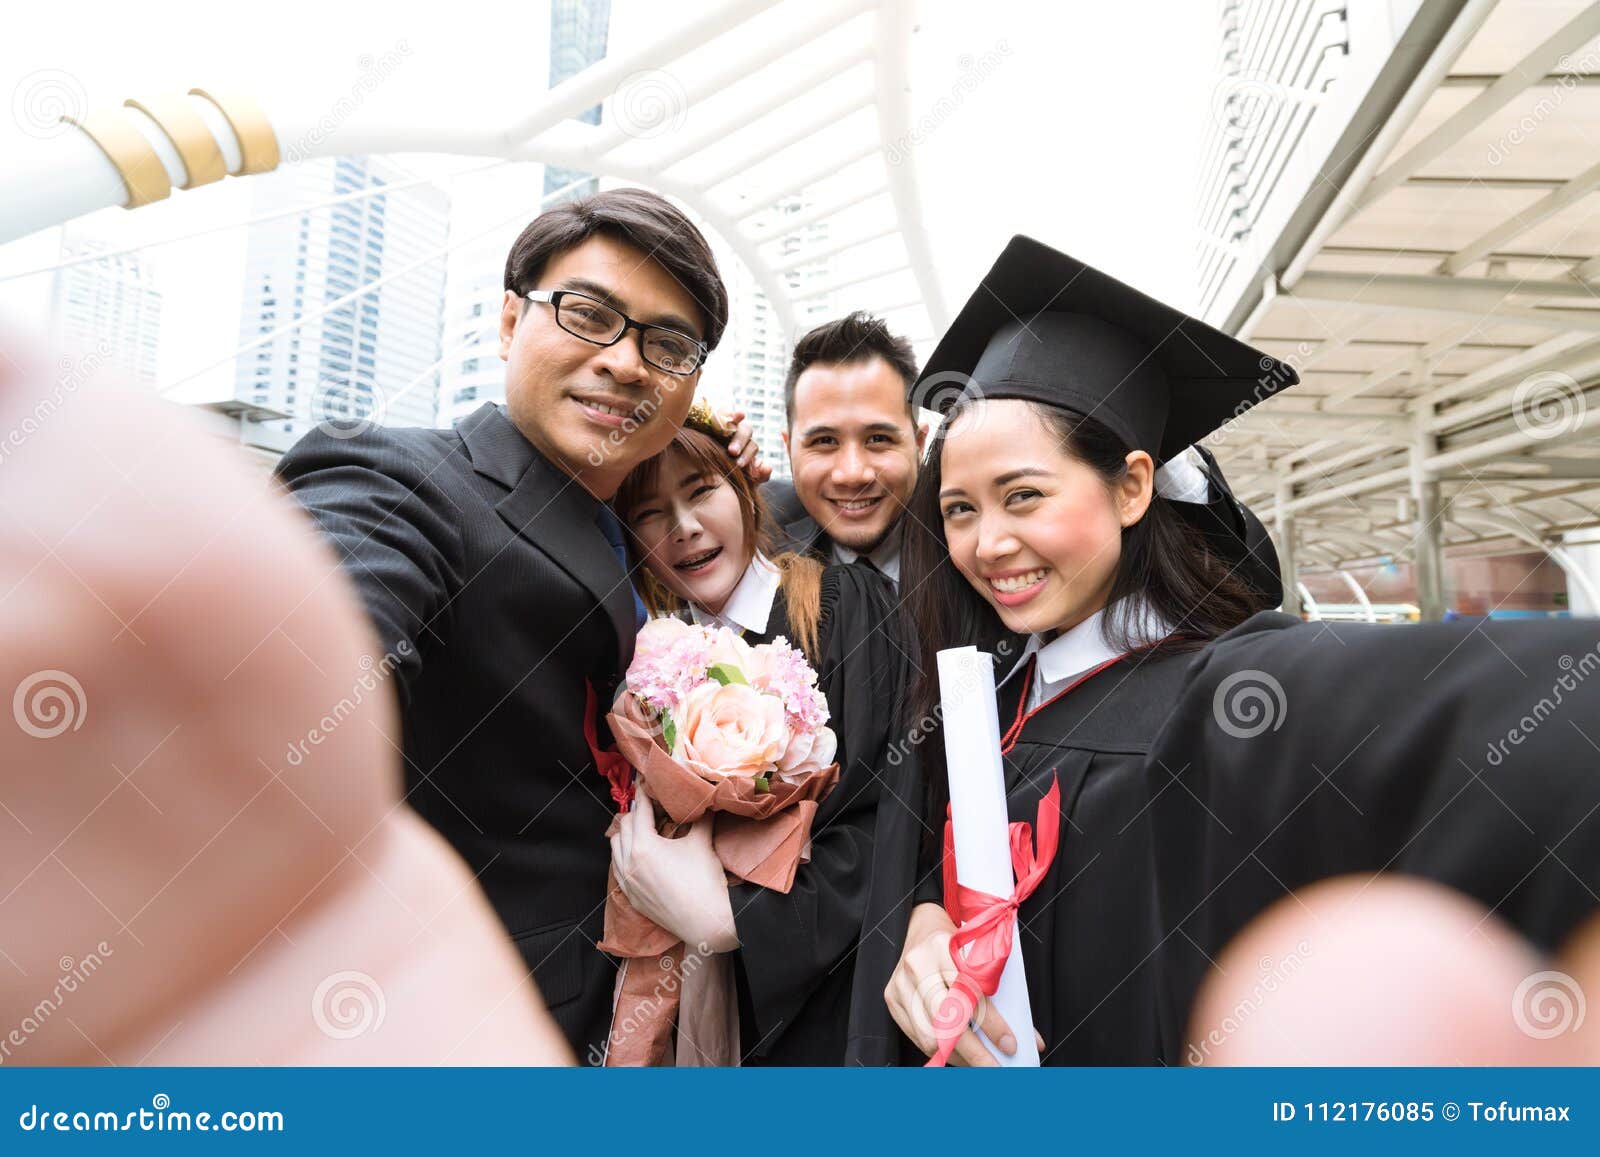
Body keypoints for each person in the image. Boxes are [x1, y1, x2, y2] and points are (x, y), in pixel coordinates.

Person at [852, 236, 1600, 1067]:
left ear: (1133, 485)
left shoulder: (1230, 693)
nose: (989, 542)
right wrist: (928, 917)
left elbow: (1527, 725)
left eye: (1024, 494)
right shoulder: (993, 695)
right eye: (959, 509)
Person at [274, 188, 767, 1061]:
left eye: (666, 344)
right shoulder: (408, 481)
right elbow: (314, 664)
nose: (623, 363)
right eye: (588, 315)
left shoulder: (640, 540)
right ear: (509, 322)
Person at [608, 406, 903, 1064]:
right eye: (651, 512)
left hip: (824, 1006)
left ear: (745, 492)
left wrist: (733, 923)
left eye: (701, 490)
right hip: (693, 1001)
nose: (683, 528)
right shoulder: (643, 667)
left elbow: (880, 816)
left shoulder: (842, 605)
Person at [763, 311, 1282, 602]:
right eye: (823, 442)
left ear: (920, 443)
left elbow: (1253, 584)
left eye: (879, 439)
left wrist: (1138, 426)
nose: (852, 472)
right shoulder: (764, 531)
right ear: (788, 450)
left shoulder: (995, 549)